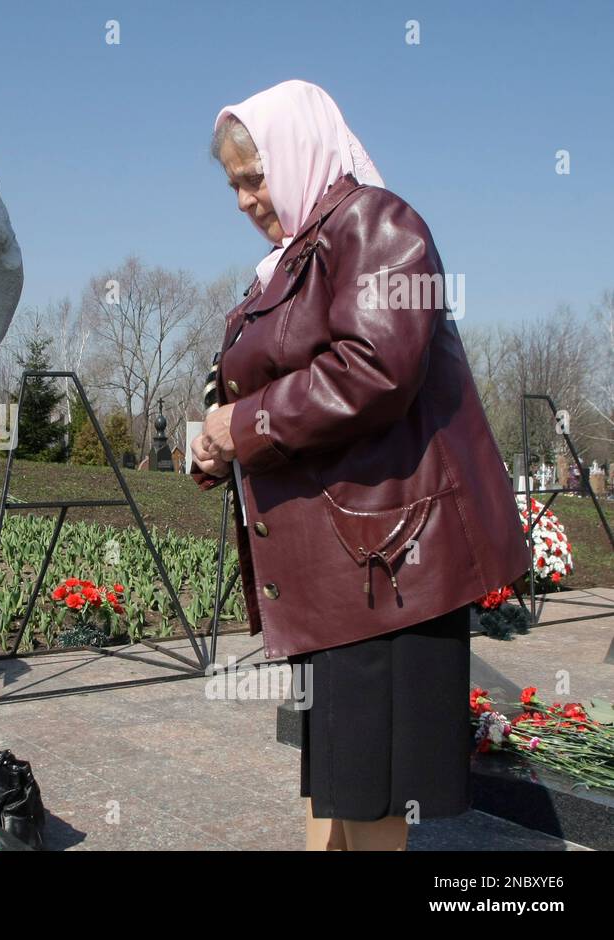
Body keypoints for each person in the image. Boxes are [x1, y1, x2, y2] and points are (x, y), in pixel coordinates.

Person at [191, 80, 529, 851]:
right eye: (234, 184)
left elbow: (375, 367)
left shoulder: (377, 222)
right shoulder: (289, 261)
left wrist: (240, 428)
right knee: (340, 778)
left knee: (371, 793)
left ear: (299, 153)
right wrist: (217, 441)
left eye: (255, 176)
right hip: (340, 567)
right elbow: (266, 388)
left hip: (387, 563)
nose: (243, 199)